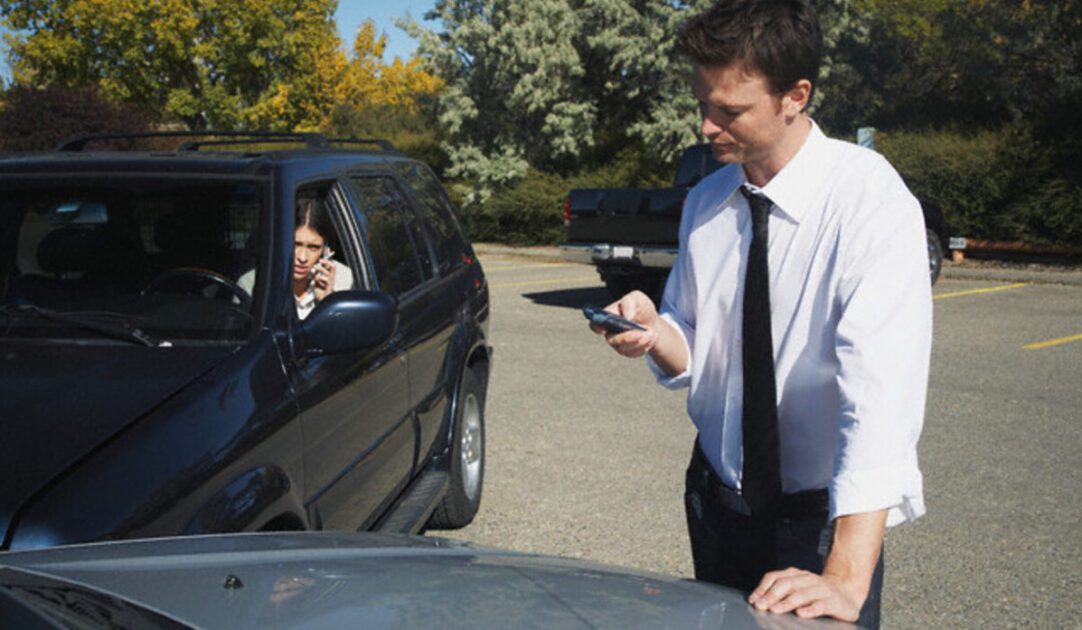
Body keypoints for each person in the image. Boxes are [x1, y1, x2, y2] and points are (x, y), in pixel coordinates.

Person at [592, 1, 931, 627]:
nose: (706, 126)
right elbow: (698, 342)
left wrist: (846, 577)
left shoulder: (870, 202)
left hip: (820, 521)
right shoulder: (707, 201)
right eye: (702, 104)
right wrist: (655, 331)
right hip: (717, 501)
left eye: (729, 111)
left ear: (795, 96)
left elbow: (881, 394)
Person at [239, 198, 352, 319]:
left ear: (325, 250)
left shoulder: (342, 280)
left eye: (313, 247)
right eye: (295, 245)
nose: (302, 258)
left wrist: (327, 303)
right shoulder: (251, 283)